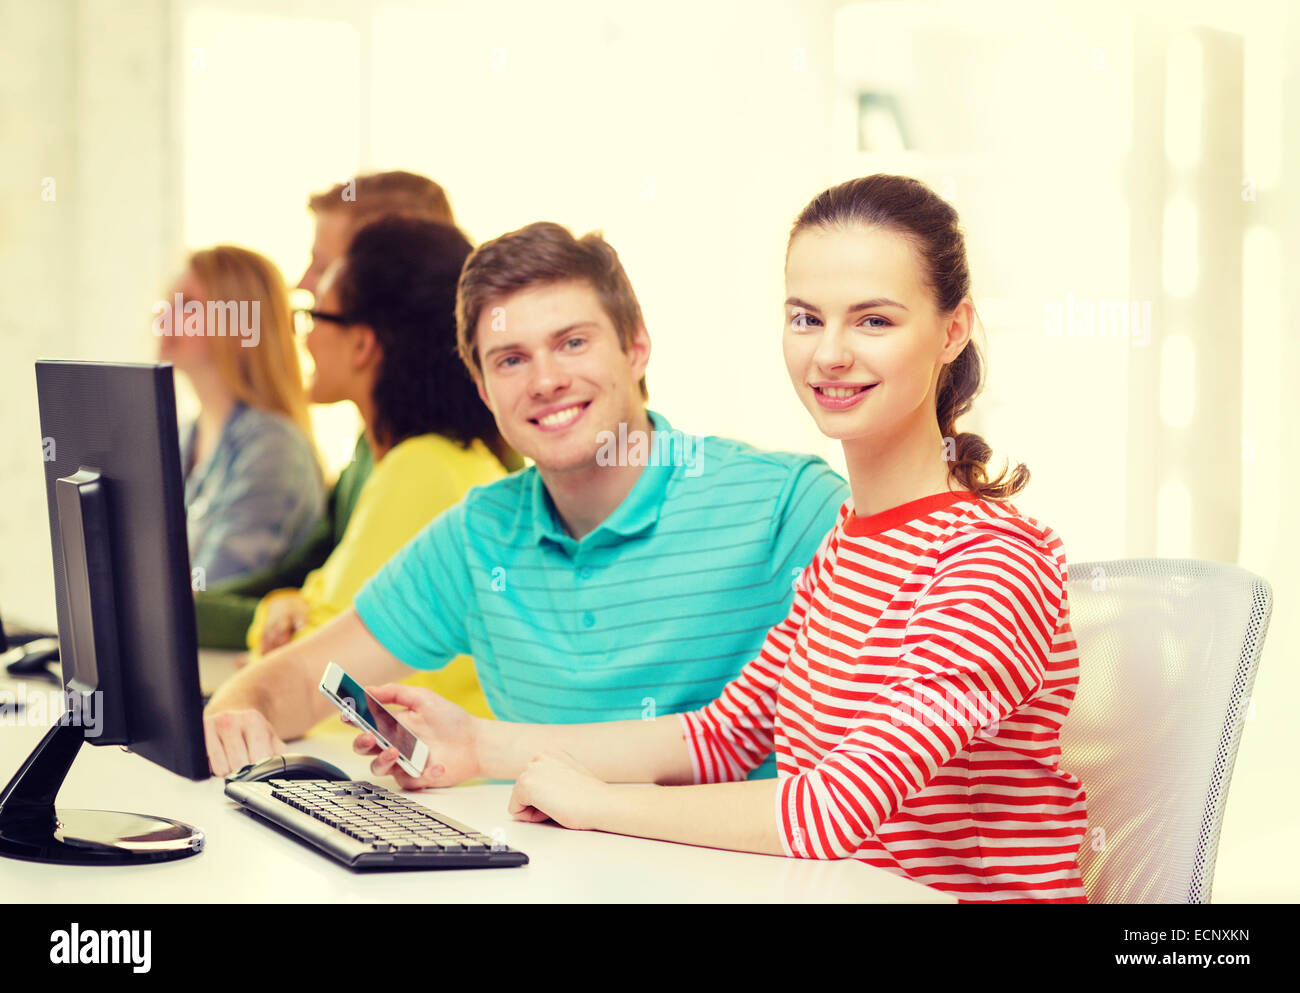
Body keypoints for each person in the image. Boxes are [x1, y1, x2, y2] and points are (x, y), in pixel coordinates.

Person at [346, 176, 1090, 904]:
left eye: (873, 321)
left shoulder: (993, 561)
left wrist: (597, 801)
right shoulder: (849, 545)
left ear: (952, 330)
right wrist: (480, 746)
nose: (829, 354)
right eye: (806, 318)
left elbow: (830, 808)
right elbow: (723, 735)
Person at [202, 221, 848, 779]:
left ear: (636, 346)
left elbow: (859, 766)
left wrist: (483, 750)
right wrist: (240, 711)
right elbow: (297, 678)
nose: (546, 380)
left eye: (573, 342)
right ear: (482, 387)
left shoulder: (789, 507)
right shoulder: (478, 535)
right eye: (511, 359)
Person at [245, 216, 510, 720]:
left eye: (314, 318)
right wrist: (280, 607)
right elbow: (302, 615)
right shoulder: (425, 463)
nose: (304, 340)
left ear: (363, 344)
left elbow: (311, 671)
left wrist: (283, 618)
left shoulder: (422, 472)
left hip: (411, 778)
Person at [195, 170, 465, 649]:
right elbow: (311, 584)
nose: (301, 285)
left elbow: (333, 644)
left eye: (325, 270)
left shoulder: (431, 467)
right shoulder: (372, 449)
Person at [157, 245, 324, 586]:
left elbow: (210, 593)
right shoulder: (182, 435)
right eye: (167, 304)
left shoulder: (273, 447)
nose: (163, 319)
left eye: (187, 305)